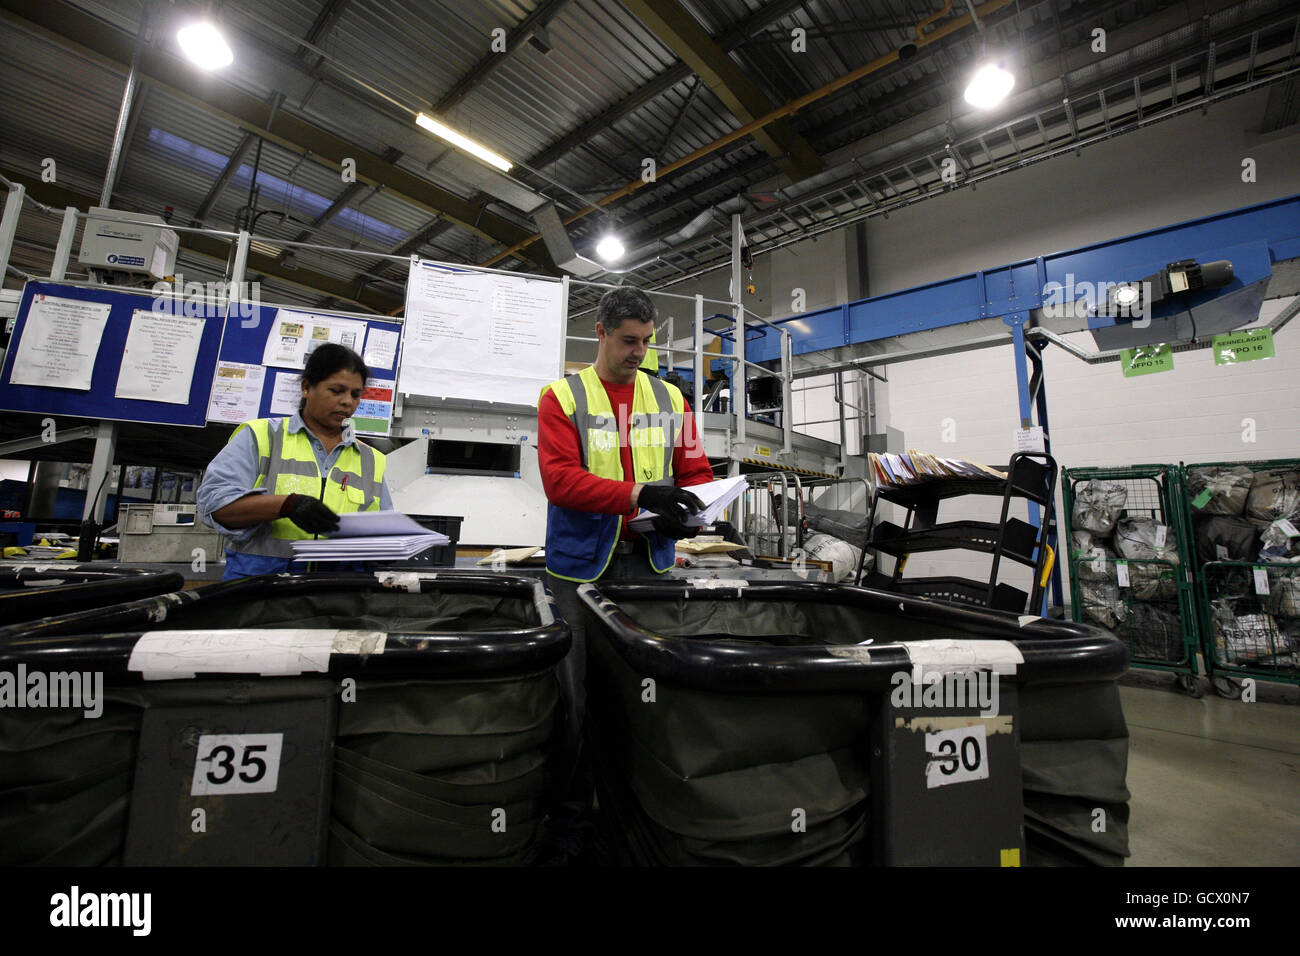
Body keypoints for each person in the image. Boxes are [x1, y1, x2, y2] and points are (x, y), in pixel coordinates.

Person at [533, 286, 714, 862]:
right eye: (628, 341)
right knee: (575, 700)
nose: (638, 351)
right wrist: (638, 492)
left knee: (646, 691)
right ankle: (569, 821)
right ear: (601, 332)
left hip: (649, 566)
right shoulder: (561, 397)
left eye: (646, 341)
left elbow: (697, 470)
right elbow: (560, 481)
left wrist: (696, 513)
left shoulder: (671, 400)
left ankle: (638, 810)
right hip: (580, 571)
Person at [197, 343, 393, 580]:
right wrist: (287, 505)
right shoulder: (262, 437)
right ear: (307, 387)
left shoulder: (371, 459)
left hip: (336, 600)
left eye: (355, 394)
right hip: (260, 596)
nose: (347, 402)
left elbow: (384, 531)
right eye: (337, 390)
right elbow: (216, 506)